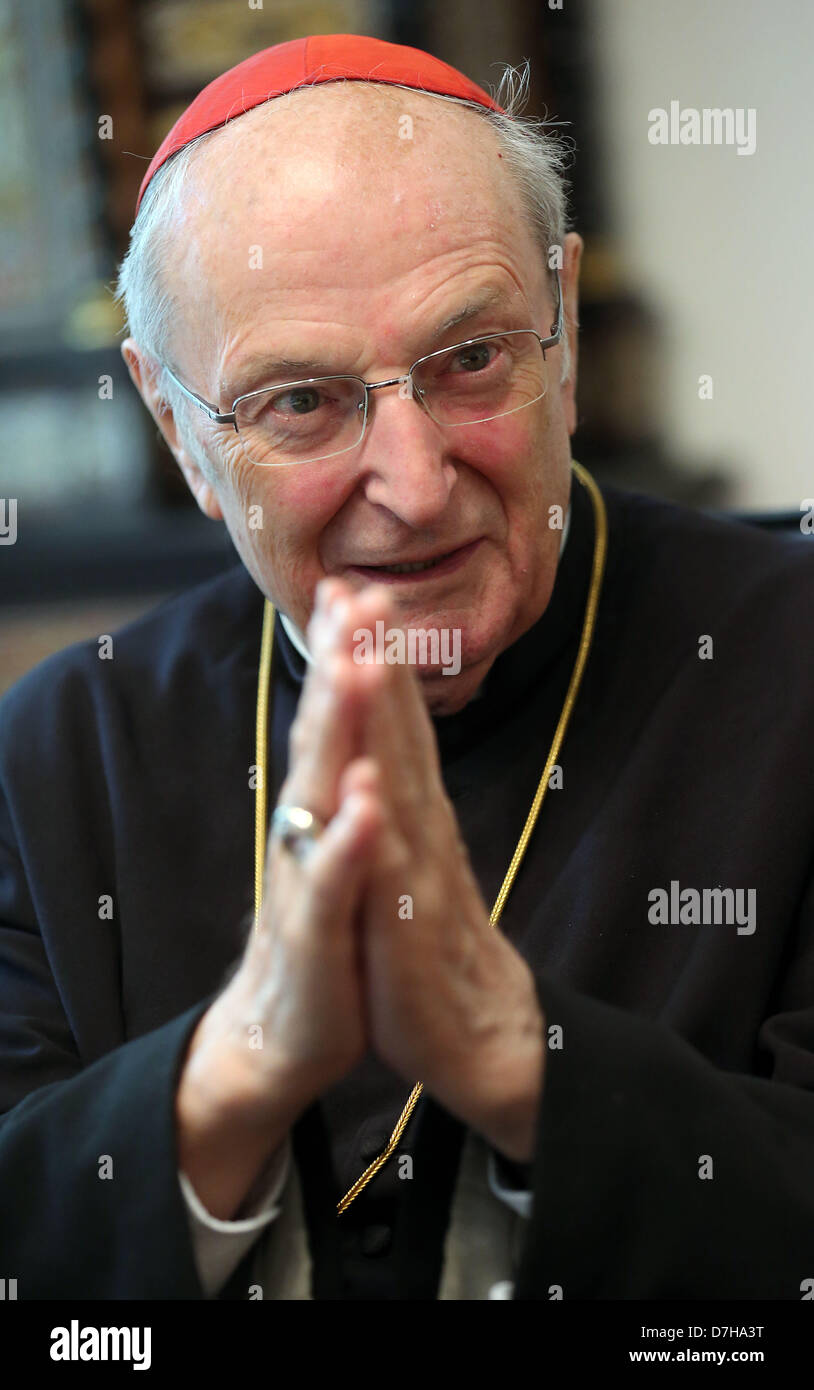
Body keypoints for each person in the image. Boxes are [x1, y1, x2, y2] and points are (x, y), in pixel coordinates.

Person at [1, 34, 813, 1302]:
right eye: (301, 402)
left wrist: (521, 1058)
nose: (417, 485)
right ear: (178, 429)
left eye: (472, 358)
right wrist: (234, 1073)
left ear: (562, 331)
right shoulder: (55, 756)